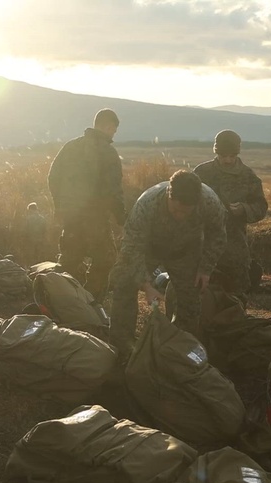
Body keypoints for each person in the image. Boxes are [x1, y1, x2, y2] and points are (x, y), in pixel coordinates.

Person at [109, 170, 226, 357]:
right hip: (149, 248)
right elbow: (132, 247)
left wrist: (205, 269)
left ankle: (181, 348)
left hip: (186, 251)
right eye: (175, 210)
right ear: (168, 195)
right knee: (123, 283)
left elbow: (217, 235)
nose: (179, 215)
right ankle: (122, 346)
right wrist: (146, 285)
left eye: (185, 212)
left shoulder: (210, 202)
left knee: (191, 296)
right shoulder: (147, 203)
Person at [47, 109, 125, 299]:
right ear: (108, 127)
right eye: (113, 131)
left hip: (71, 217)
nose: (113, 134)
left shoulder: (71, 146)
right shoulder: (108, 152)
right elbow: (113, 190)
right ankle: (91, 300)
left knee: (69, 260)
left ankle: (62, 300)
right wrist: (121, 217)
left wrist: (60, 207)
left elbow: (53, 177)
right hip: (96, 218)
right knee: (106, 258)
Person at [192, 130, 267, 298]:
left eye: (231, 156)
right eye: (223, 155)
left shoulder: (248, 176)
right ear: (216, 152)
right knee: (200, 285)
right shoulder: (202, 172)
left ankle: (234, 319)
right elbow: (187, 201)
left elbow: (261, 206)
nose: (227, 160)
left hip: (235, 242)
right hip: (203, 239)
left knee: (237, 289)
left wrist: (244, 209)